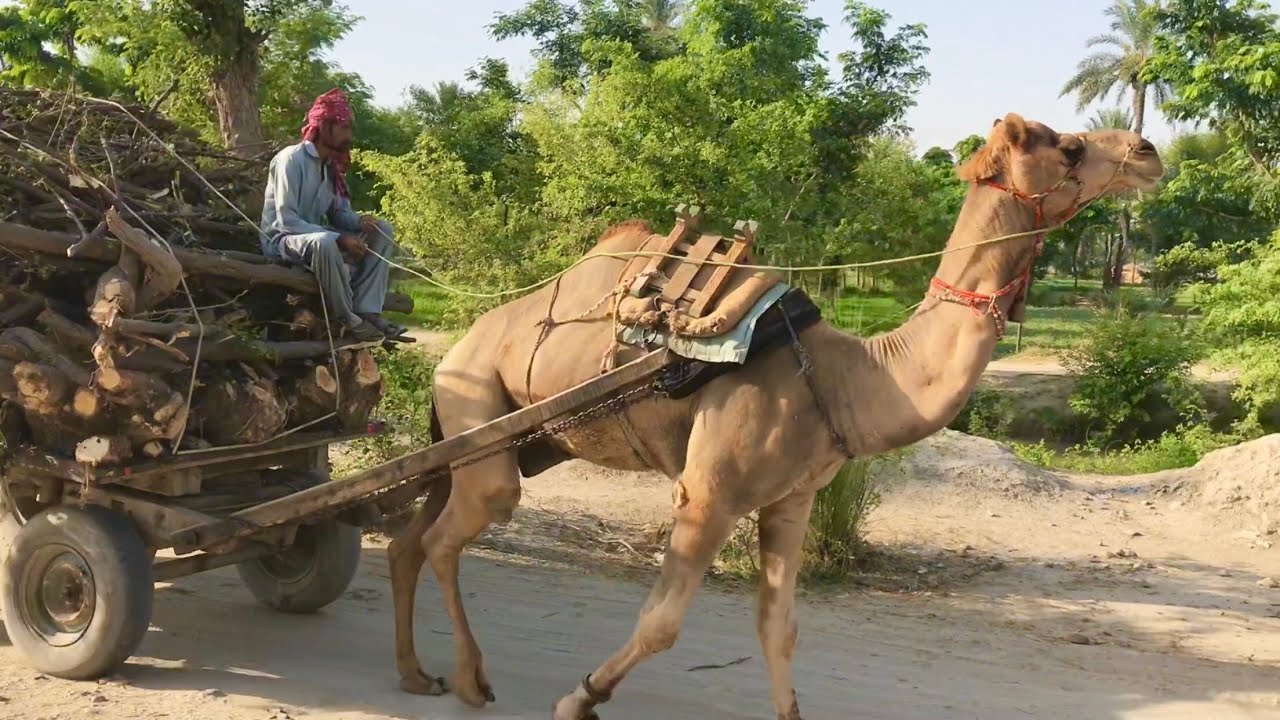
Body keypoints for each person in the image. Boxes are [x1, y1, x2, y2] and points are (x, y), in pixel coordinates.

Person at [259, 88, 405, 342]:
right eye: (344, 127)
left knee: (383, 230)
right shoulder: (291, 160)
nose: (349, 136)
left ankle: (368, 310)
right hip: (283, 241)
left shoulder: (331, 168)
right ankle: (348, 319)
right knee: (325, 242)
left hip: (315, 237)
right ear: (325, 127)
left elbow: (338, 214)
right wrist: (340, 239)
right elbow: (286, 220)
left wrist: (359, 222)